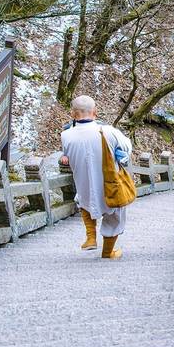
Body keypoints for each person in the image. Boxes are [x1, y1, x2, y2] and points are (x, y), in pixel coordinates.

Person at [60, 95, 132, 259]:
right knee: (114, 214)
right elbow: (127, 148)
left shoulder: (66, 135)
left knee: (83, 202)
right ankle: (108, 251)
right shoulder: (109, 132)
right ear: (95, 112)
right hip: (109, 184)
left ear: (73, 114)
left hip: (82, 183)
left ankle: (91, 238)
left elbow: (67, 154)